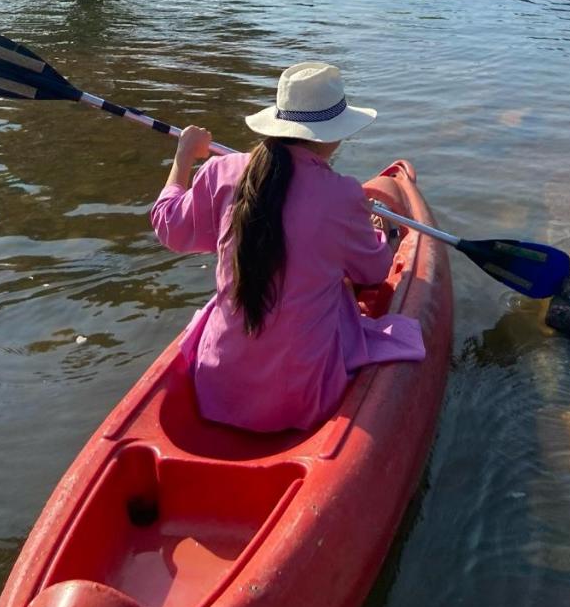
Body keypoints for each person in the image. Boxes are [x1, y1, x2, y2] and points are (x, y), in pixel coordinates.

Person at [151, 62, 425, 432]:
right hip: (301, 400)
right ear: (334, 134)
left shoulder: (224, 170)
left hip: (216, 386)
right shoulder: (342, 194)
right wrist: (382, 235)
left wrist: (184, 157)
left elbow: (169, 226)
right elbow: (374, 273)